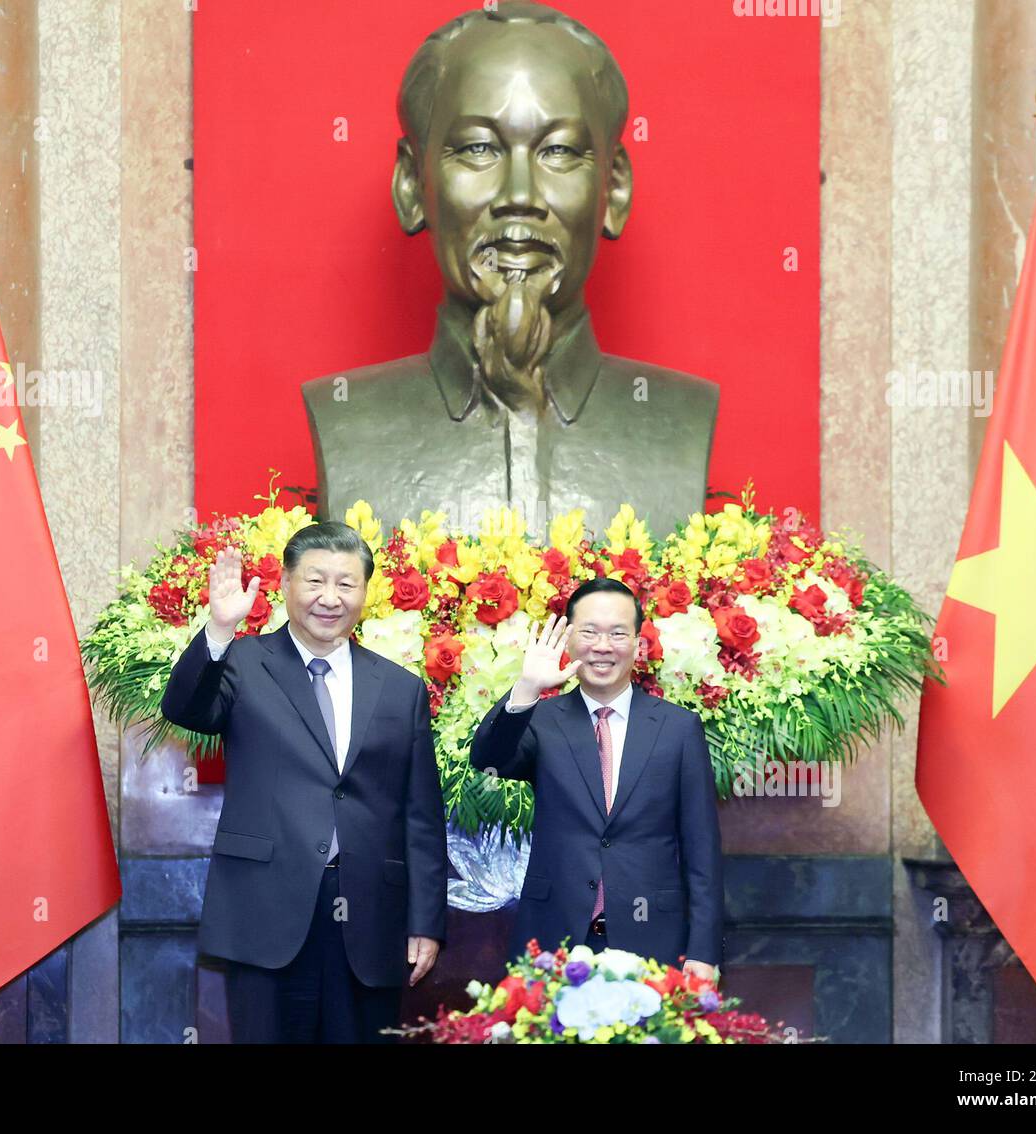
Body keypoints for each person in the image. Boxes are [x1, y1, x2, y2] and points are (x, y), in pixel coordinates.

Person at [303, 2, 719, 536]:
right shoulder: (346, 419)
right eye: (479, 149)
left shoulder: (681, 419)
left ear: (613, 189)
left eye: (560, 151)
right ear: (412, 185)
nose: (519, 196)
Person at [160, 521, 447, 1043]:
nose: (329, 598)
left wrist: (426, 920)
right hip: (264, 908)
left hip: (370, 916)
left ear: (366, 592)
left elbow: (421, 813)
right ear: (287, 585)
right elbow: (186, 709)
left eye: (346, 583)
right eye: (315, 581)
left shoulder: (400, 688)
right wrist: (219, 632)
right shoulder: (245, 662)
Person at [471, 577, 723, 980]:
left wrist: (704, 952)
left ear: (639, 644)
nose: (602, 646)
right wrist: (526, 687)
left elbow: (702, 850)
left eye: (617, 633)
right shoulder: (541, 720)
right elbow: (489, 761)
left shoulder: (678, 728)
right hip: (552, 936)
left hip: (652, 938)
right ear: (569, 640)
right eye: (589, 632)